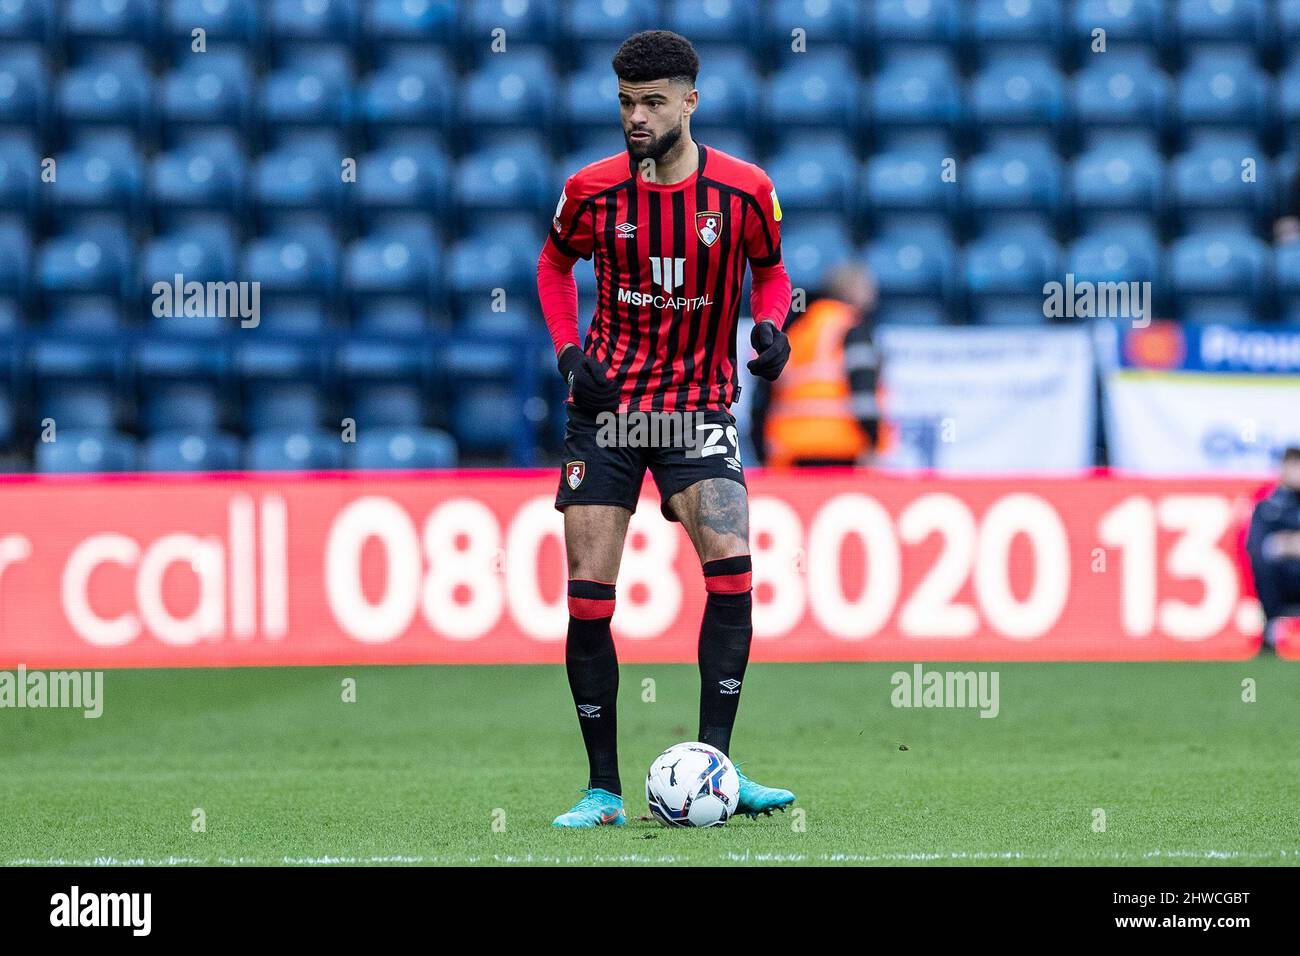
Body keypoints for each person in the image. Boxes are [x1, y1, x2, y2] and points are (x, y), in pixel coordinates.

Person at [535, 30, 797, 827]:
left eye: (651, 102)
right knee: (588, 601)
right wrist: (569, 351)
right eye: (625, 103)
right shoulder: (591, 190)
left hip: (695, 408)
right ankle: (604, 791)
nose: (636, 117)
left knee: (734, 568)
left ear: (691, 100)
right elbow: (552, 268)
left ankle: (717, 765)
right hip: (608, 412)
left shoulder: (745, 192)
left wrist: (774, 328)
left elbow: (773, 271)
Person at [750, 262, 885, 467]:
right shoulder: (852, 328)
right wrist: (873, 440)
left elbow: (762, 396)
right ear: (854, 291)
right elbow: (863, 393)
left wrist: (760, 450)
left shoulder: (796, 329)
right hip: (840, 448)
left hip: (790, 451)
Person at [1246, 447, 1300, 652]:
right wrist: (1289, 544)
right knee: (1261, 564)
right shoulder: (1269, 507)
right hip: (1284, 576)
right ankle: (1271, 628)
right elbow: (1264, 546)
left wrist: (1288, 542)